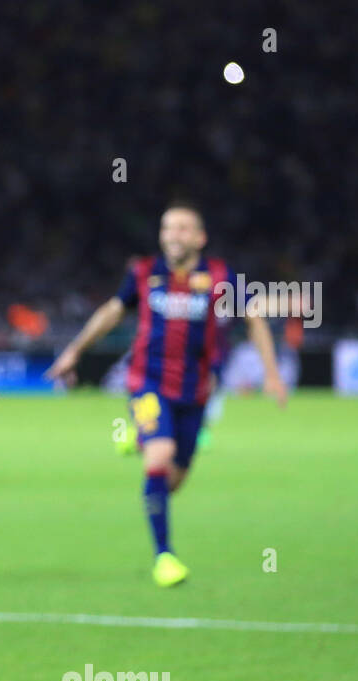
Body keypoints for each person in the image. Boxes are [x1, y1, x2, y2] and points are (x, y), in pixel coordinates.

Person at [47, 201, 285, 587]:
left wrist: (271, 374)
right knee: (160, 458)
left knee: (171, 481)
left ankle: (140, 437)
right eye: (167, 228)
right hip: (147, 382)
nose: (174, 235)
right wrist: (75, 350)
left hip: (194, 392)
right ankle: (165, 558)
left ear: (200, 237)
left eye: (183, 228)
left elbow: (253, 320)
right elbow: (112, 311)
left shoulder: (221, 275)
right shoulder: (144, 273)